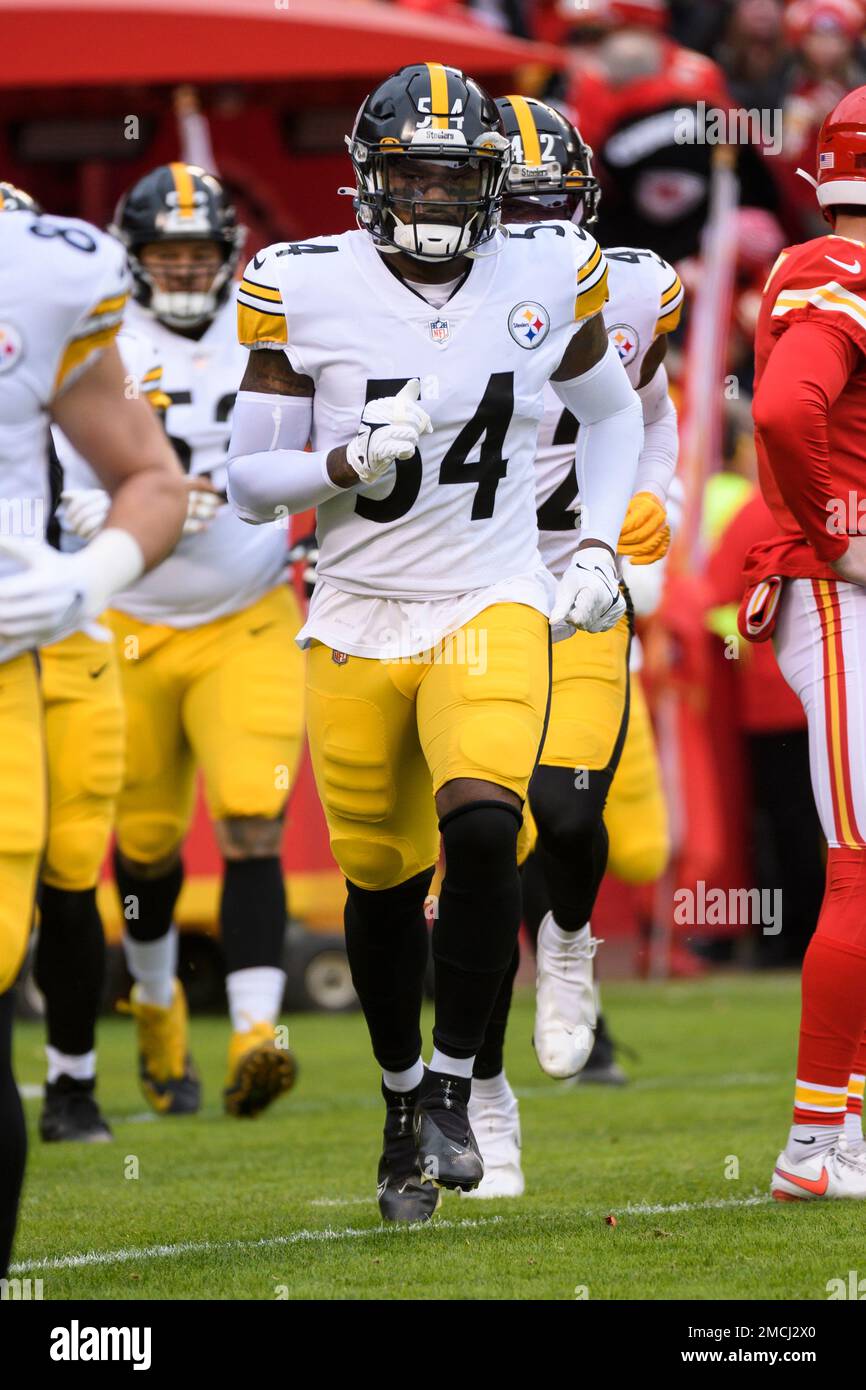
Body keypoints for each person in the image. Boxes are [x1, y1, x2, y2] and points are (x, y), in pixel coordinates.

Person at [227, 63, 644, 1220]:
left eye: (455, 176)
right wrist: (341, 462)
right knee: (377, 881)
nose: (434, 196)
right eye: (412, 172)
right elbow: (245, 480)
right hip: (356, 614)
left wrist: (600, 546)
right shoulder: (298, 284)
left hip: (490, 595)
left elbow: (611, 415)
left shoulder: (547, 266)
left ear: (489, 182)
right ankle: (402, 1097)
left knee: (481, 824)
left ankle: (458, 1084)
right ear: (367, 177)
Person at [462, 94, 680, 1196]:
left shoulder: (631, 285)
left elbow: (648, 417)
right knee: (479, 845)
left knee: (564, 810)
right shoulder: (436, 298)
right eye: (526, 206)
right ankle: (485, 1102)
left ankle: (571, 937)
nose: (549, 228)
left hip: (575, 576)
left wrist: (655, 514)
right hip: (462, 585)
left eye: (561, 203)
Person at [60, 165, 306, 1118]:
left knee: (252, 815)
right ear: (134, 256)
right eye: (165, 252)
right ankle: (159, 1011)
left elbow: (318, 447)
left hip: (245, 611)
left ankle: (254, 1034)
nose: (183, 268)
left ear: (227, 256)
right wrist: (79, 507)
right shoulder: (99, 337)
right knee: (150, 844)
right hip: (128, 620)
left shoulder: (273, 328)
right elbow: (39, 446)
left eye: (198, 252)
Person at [0, 204, 186, 1273]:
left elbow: (159, 476)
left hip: (48, 632)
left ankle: (76, 1073)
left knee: (76, 867)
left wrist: (89, 572)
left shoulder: (58, 282)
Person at [740, 86, 866, 1199]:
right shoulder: (836, 273)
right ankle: (810, 1149)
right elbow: (784, 411)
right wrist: (840, 532)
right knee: (857, 870)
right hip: (841, 592)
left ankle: (846, 1134)